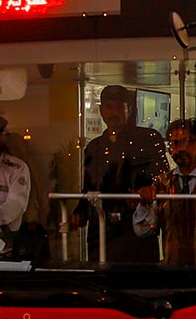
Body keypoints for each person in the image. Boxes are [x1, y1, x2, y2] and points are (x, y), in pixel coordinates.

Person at [71, 84, 170, 262]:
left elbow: (163, 180)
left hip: (136, 227)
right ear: (101, 111)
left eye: (119, 107)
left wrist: (149, 191)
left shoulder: (148, 139)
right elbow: (88, 188)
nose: (114, 113)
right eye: (109, 107)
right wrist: (80, 213)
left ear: (129, 109)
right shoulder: (94, 148)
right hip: (101, 230)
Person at [144, 119, 196, 267]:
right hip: (173, 274)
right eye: (174, 144)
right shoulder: (163, 183)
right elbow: (144, 230)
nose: (179, 149)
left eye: (186, 142)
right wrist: (144, 204)